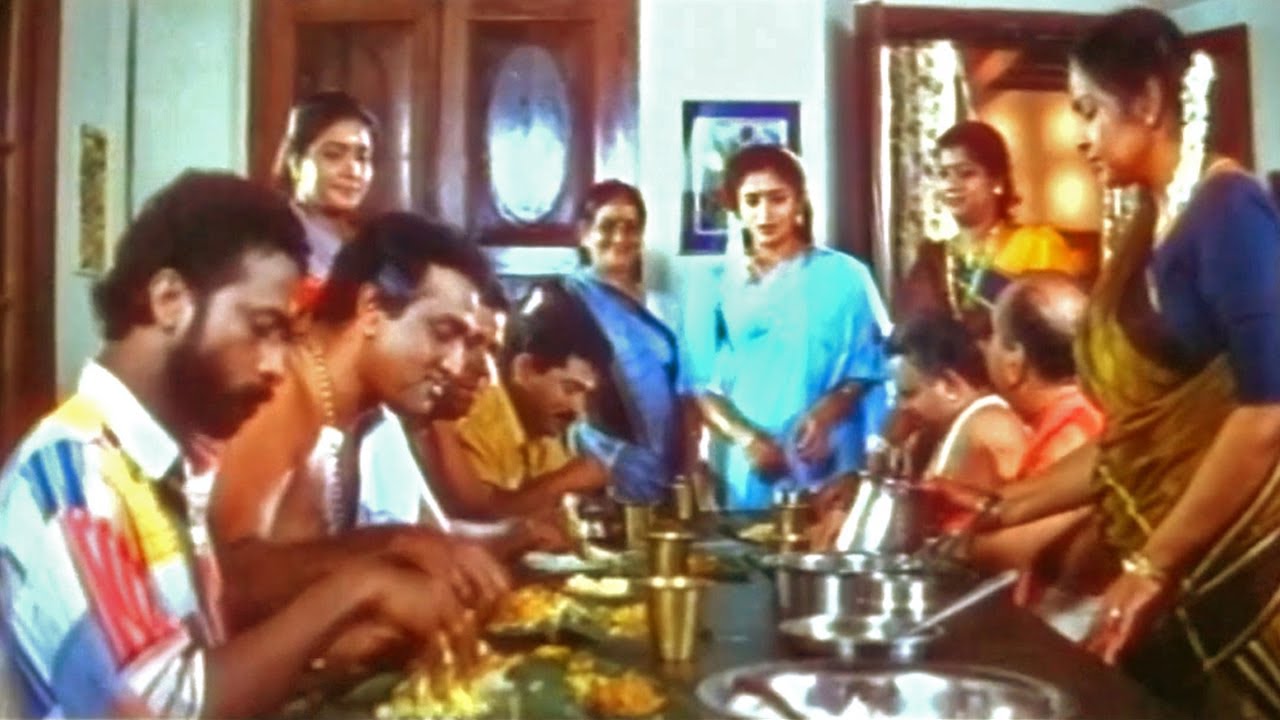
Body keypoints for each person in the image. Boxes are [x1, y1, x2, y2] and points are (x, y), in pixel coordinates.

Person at [0, 173, 466, 718]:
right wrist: (357, 589)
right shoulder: (75, 477)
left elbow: (198, 660)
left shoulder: (171, 466)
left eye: (287, 337)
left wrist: (326, 652)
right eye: (262, 328)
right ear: (170, 299)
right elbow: (171, 710)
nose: (276, 366)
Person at [962, 9, 1280, 716]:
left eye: (1089, 110)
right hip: (1175, 564)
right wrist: (1003, 505)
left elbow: (1269, 411)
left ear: (1148, 102)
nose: (1080, 136)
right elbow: (1135, 443)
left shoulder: (1230, 211)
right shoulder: (1150, 225)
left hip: (1247, 576)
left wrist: (1151, 566)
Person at [210, 213, 510, 637]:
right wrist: (387, 544)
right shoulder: (279, 394)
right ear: (371, 309)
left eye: (467, 342)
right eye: (443, 333)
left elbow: (435, 541)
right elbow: (229, 582)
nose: (455, 364)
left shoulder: (373, 415)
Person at [689, 145, 890, 511]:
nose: (765, 214)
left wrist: (826, 414)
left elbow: (873, 368)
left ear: (799, 203)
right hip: (750, 463)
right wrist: (748, 439)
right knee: (750, 541)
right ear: (736, 208)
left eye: (777, 199)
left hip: (829, 454)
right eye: (752, 201)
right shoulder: (712, 284)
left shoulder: (846, 276)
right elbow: (698, 385)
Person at [424, 283, 617, 521]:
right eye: (569, 389)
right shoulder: (473, 410)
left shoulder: (542, 428)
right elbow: (479, 517)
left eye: (492, 350)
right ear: (524, 369)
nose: (579, 410)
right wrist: (565, 481)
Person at [562, 180, 700, 504]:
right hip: (599, 462)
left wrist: (689, 467)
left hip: (667, 464)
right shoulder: (568, 300)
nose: (620, 238)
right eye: (608, 226)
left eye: (631, 228)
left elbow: (686, 395)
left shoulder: (664, 308)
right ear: (584, 234)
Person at [895, 121, 1087, 334]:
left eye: (966, 173)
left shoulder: (1037, 246)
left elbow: (1059, 331)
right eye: (943, 174)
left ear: (997, 181)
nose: (951, 185)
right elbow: (912, 333)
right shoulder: (934, 259)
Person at [968, 273, 1103, 576]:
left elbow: (1024, 549)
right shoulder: (1069, 416)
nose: (985, 346)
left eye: (993, 335)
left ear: (1015, 363)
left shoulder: (1073, 434)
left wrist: (955, 546)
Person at [272, 90, 378, 302]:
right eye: (333, 155)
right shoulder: (274, 241)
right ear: (295, 162)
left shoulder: (374, 243)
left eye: (362, 158)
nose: (353, 171)